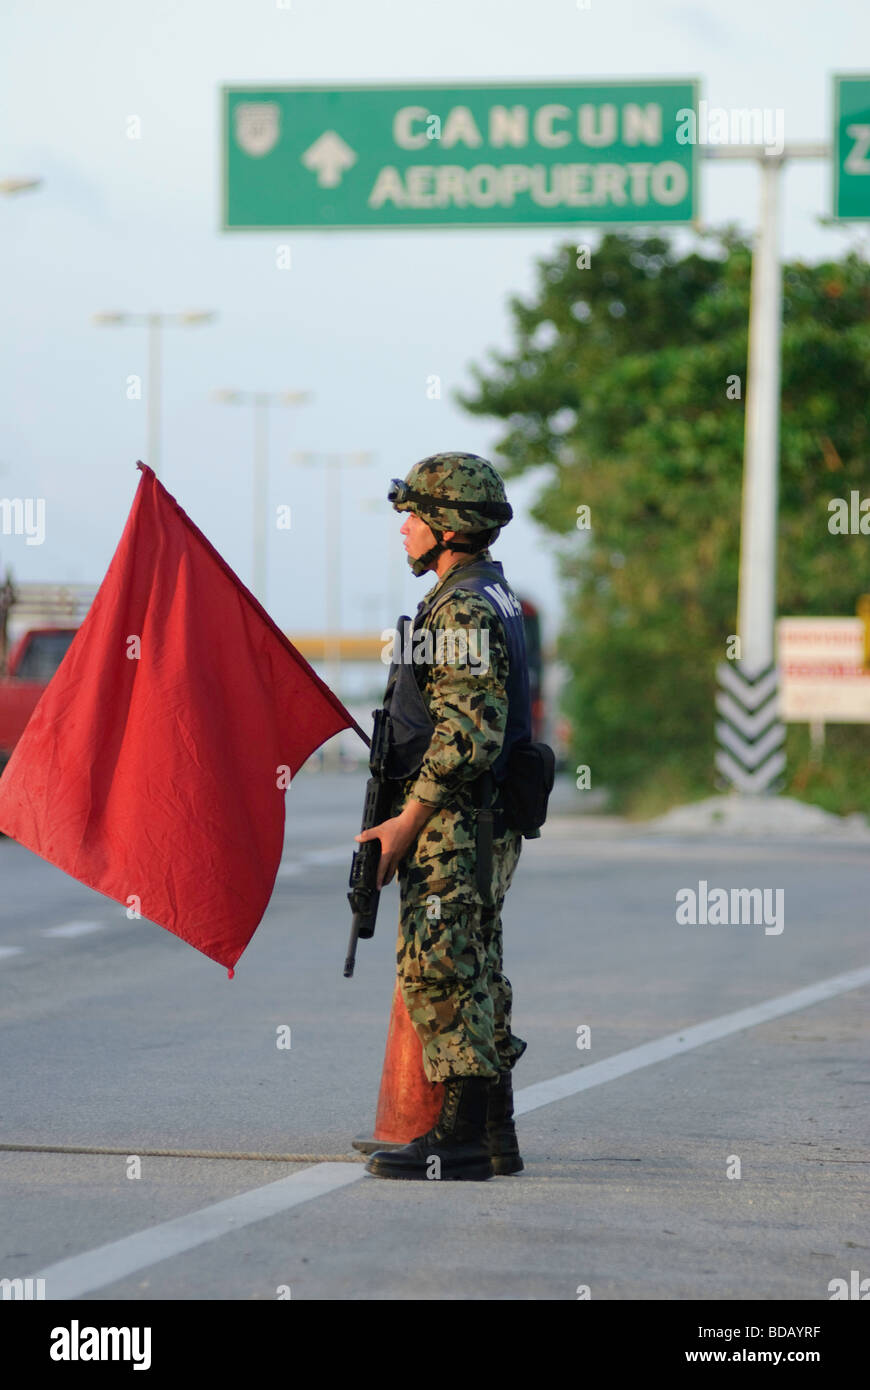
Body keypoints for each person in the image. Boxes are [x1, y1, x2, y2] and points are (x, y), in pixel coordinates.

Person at [355, 451, 534, 1181]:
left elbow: (469, 731)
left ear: (448, 526)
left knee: (441, 969)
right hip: (480, 816)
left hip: (456, 820)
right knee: (478, 966)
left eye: (414, 516)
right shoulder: (491, 595)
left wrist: (406, 822)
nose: (403, 530)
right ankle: (495, 1134)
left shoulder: (462, 607)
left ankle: (457, 1141)